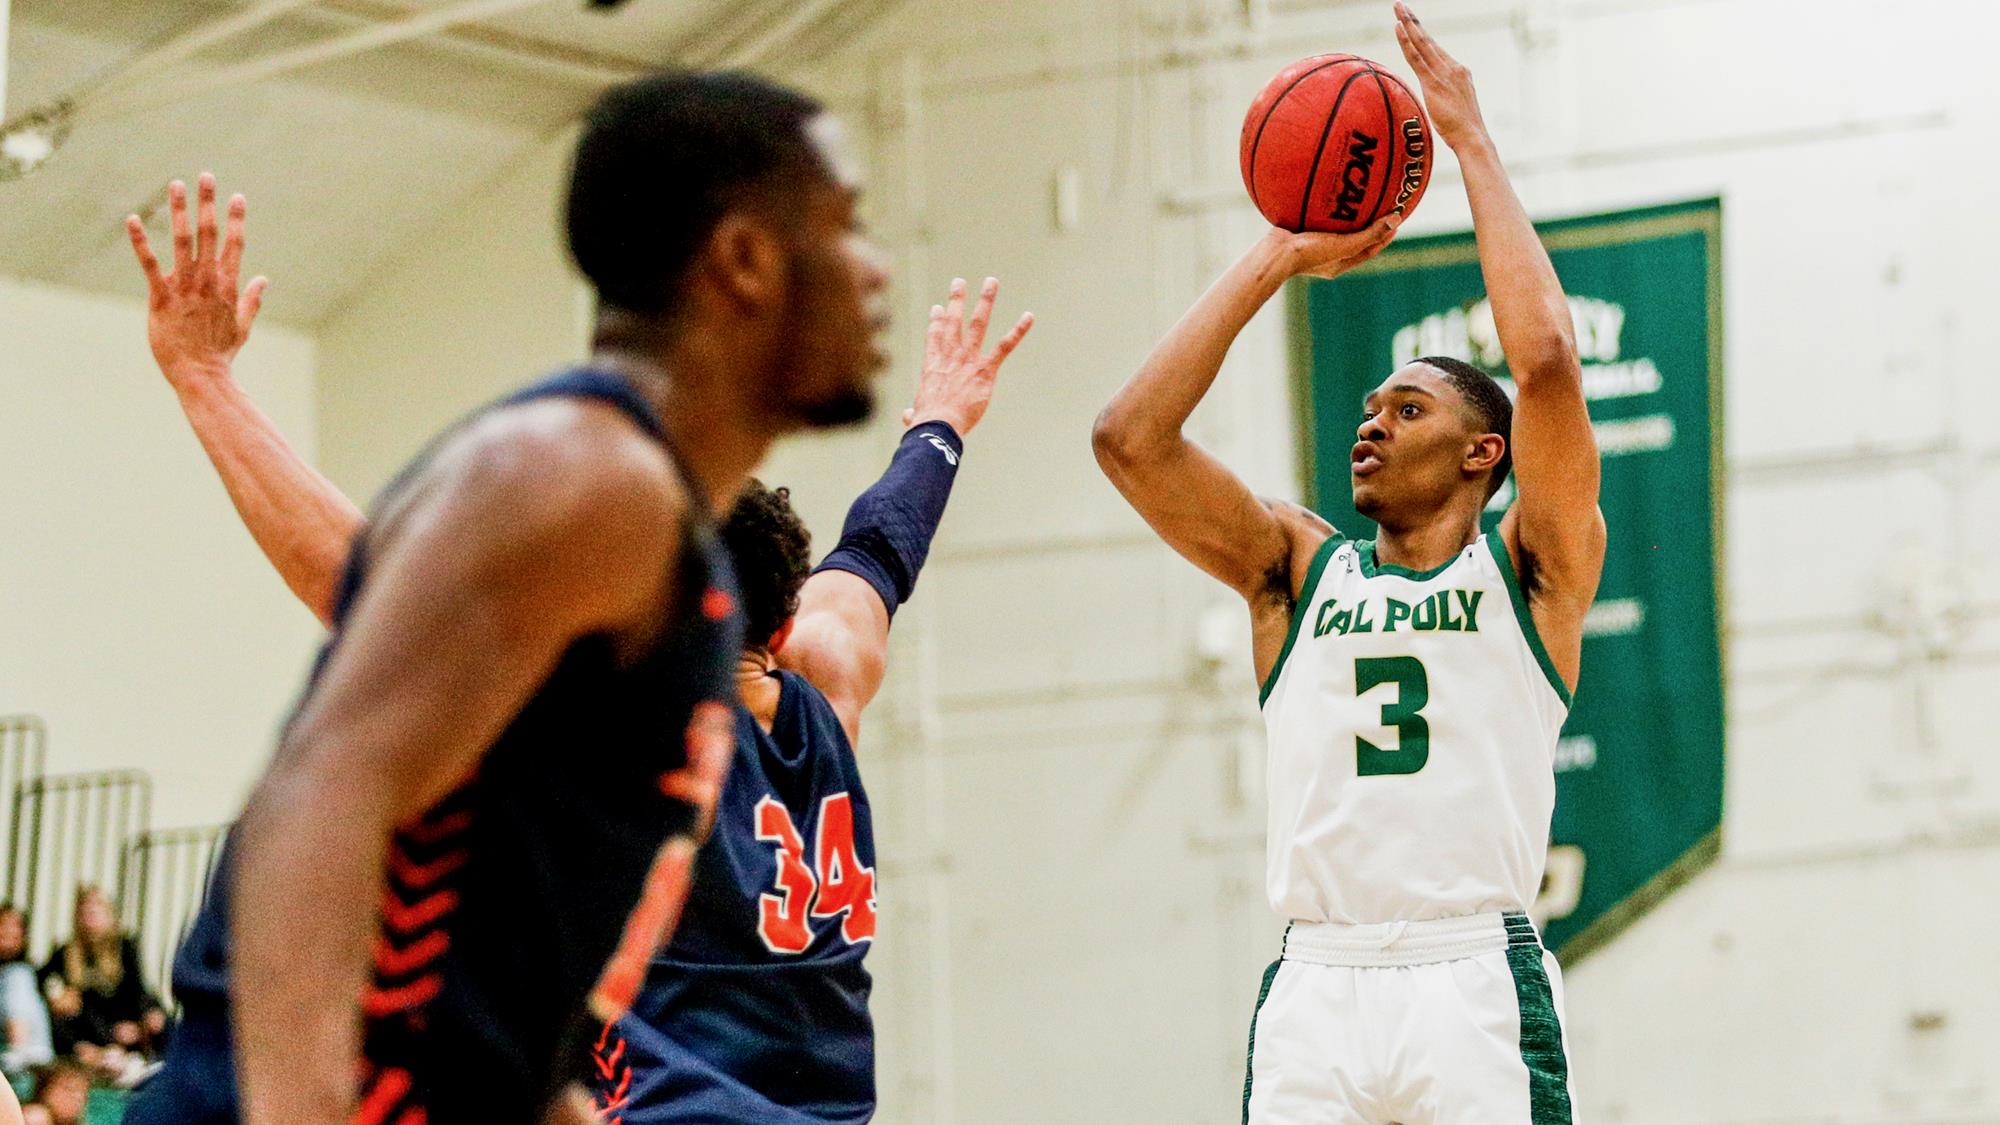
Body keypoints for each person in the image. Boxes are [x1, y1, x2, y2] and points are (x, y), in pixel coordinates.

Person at [130, 157, 1028, 1117]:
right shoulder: (828, 668)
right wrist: (941, 420)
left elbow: (364, 584)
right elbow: (884, 541)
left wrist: (206, 383)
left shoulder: (640, 718)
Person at [1093, 5, 1603, 1121]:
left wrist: (1468, 142)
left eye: (1405, 408)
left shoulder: (1528, 574)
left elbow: (1549, 363)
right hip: (1316, 982)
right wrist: (1279, 248)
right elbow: (1128, 439)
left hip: (1470, 975)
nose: (1367, 426)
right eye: (1367, 408)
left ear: (1483, 450)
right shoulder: (1295, 569)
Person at [37, 888, 164, 1082]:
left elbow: (138, 991)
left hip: (121, 1026)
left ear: (109, 915)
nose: (90, 919)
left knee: (159, 1017)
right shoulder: (66, 952)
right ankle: (96, 1056)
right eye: (85, 913)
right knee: (67, 1011)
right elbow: (40, 979)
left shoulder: (125, 947)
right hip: (84, 1030)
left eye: (95, 913)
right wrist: (56, 996)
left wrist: (139, 1026)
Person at [0, 906, 52, 1078]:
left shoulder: (17, 975)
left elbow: (17, 1040)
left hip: (24, 1071)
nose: (5, 933)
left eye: (13, 929)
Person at [18, 1061, 83, 1125]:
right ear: (47, 1089)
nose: (78, 1097)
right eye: (69, 1089)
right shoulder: (35, 1117)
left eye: (82, 1092)